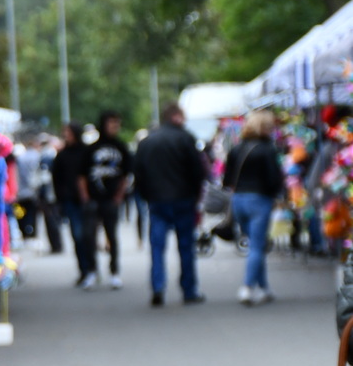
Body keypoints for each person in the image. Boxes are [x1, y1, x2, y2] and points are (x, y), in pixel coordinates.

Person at [133, 102, 209, 306]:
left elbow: (138, 172)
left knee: (157, 247)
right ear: (177, 116)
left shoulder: (147, 142)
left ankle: (158, 286)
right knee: (186, 246)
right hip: (183, 198)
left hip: (157, 200)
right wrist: (195, 195)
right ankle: (189, 289)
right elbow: (198, 171)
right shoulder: (186, 138)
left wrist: (147, 195)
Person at [224, 110, 285, 306]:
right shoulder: (268, 149)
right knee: (257, 246)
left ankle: (264, 287)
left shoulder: (236, 148)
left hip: (238, 200)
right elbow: (273, 179)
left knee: (254, 244)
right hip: (260, 199)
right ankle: (247, 287)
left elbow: (227, 179)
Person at [79, 111, 131, 289]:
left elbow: (126, 175)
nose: (115, 127)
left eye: (117, 123)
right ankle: (92, 271)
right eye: (111, 123)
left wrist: (119, 196)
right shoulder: (91, 149)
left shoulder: (121, 147)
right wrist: (85, 196)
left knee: (112, 236)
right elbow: (82, 175)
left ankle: (114, 272)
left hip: (111, 199)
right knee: (88, 236)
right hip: (93, 199)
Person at [51, 124, 90, 284]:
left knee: (87, 236)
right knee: (78, 235)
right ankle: (85, 269)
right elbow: (56, 179)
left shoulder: (86, 152)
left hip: (86, 200)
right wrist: (61, 198)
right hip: (70, 200)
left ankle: (90, 268)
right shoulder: (62, 155)